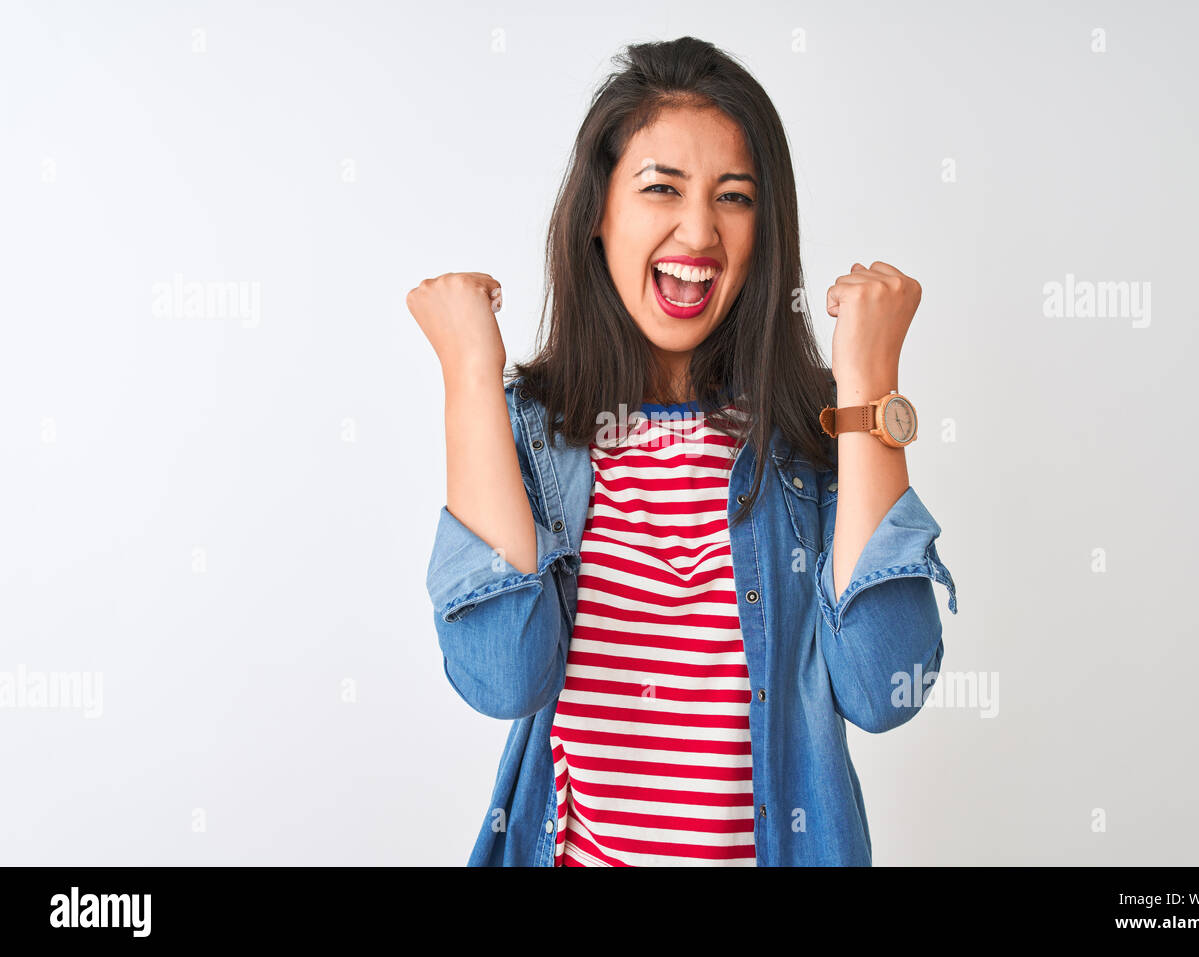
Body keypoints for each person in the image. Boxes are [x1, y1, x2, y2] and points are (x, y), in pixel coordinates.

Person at [406, 36, 957, 866]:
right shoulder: (538, 435)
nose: (697, 230)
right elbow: (502, 674)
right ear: (599, 212)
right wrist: (470, 379)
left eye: (733, 197)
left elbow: (886, 686)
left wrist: (870, 387)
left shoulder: (811, 438)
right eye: (661, 187)